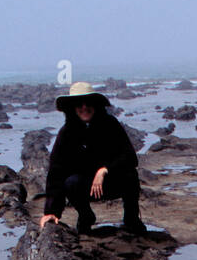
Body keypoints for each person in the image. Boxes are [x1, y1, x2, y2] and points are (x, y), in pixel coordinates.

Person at [40, 81, 146, 235]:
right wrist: (51, 211)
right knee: (70, 182)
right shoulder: (67, 133)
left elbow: (130, 157)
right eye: (79, 104)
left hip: (111, 181)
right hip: (85, 186)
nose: (84, 108)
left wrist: (105, 170)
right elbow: (56, 172)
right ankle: (86, 216)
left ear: (96, 105)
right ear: (72, 108)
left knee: (130, 175)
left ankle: (131, 219)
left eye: (88, 103)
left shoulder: (110, 124)